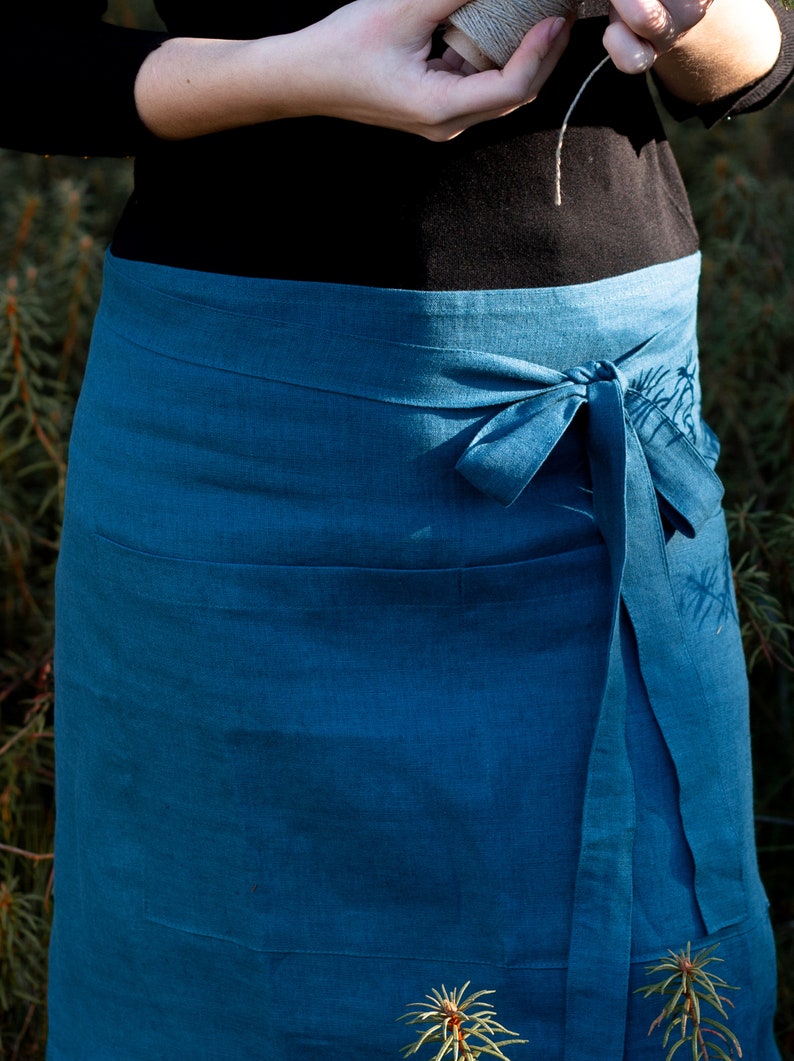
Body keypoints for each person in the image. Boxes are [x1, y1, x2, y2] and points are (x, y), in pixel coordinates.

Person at [3, 1, 793, 1057]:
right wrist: (294, 72)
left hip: (591, 448)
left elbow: (758, 53)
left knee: (657, 971)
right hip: (234, 462)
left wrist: (679, 13)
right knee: (208, 980)